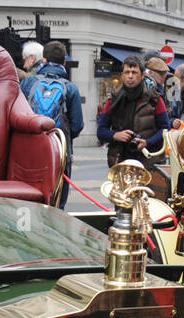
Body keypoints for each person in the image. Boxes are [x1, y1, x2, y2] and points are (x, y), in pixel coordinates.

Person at [20, 39, 83, 209]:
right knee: (57, 202)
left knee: (30, 199)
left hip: (31, 150)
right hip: (59, 152)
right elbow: (77, 125)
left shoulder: (27, 83)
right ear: (64, 62)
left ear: (44, 60)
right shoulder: (70, 88)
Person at [97, 54, 168, 167]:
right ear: (122, 75)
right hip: (121, 162)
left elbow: (165, 129)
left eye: (134, 72)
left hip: (149, 161)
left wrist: (147, 142)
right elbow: (101, 131)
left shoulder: (154, 98)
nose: (130, 76)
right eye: (127, 72)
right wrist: (115, 135)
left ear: (142, 75)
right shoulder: (113, 100)